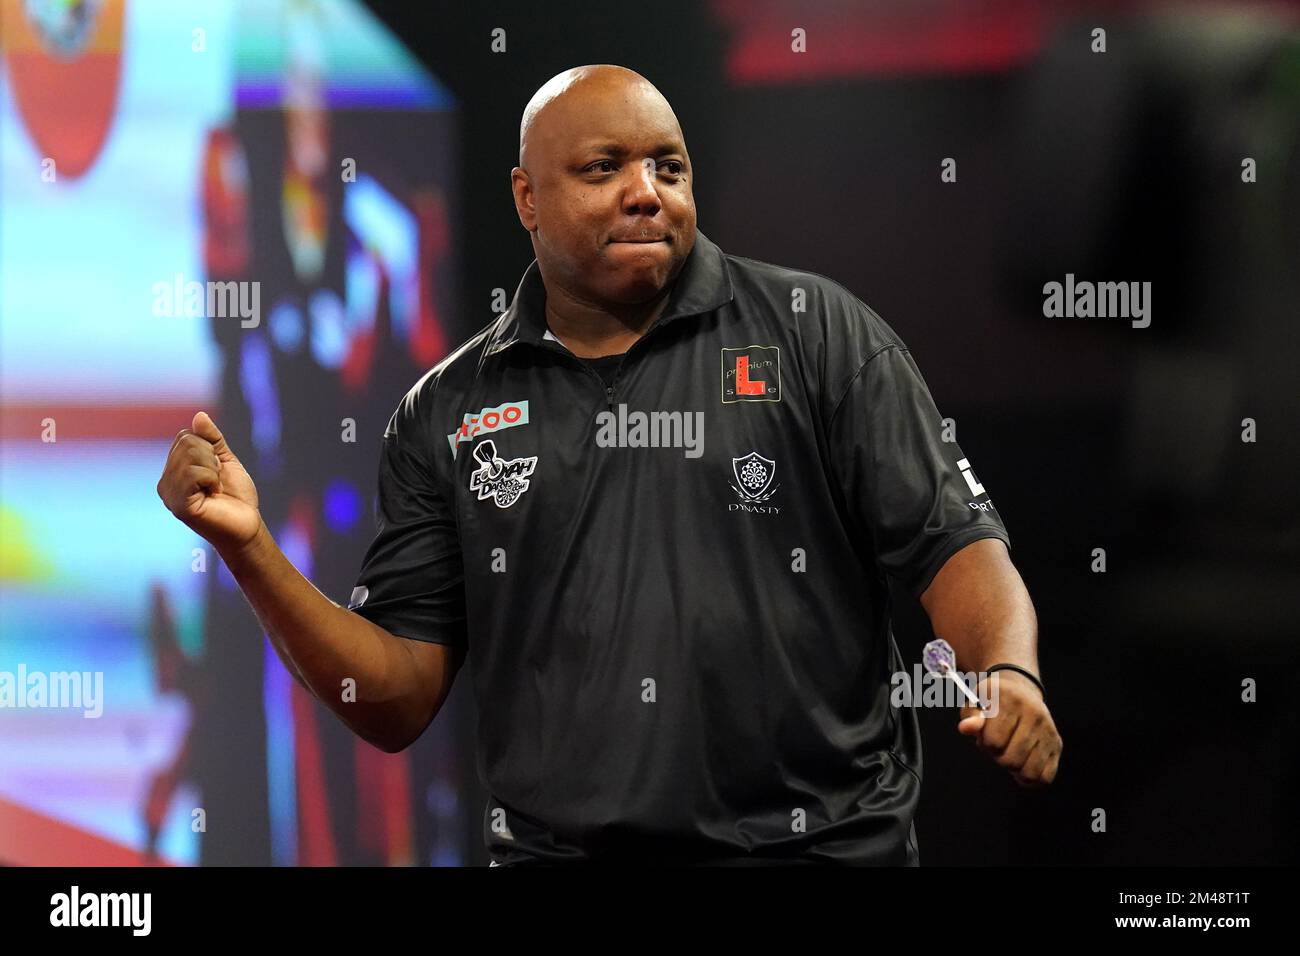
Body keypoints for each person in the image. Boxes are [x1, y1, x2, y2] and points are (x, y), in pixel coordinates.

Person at [157, 64, 1062, 866]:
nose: (647, 192)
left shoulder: (818, 334)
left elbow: (955, 547)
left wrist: (1006, 672)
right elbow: (392, 699)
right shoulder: (446, 411)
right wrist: (251, 551)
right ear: (526, 198)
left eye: (669, 167)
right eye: (604, 169)